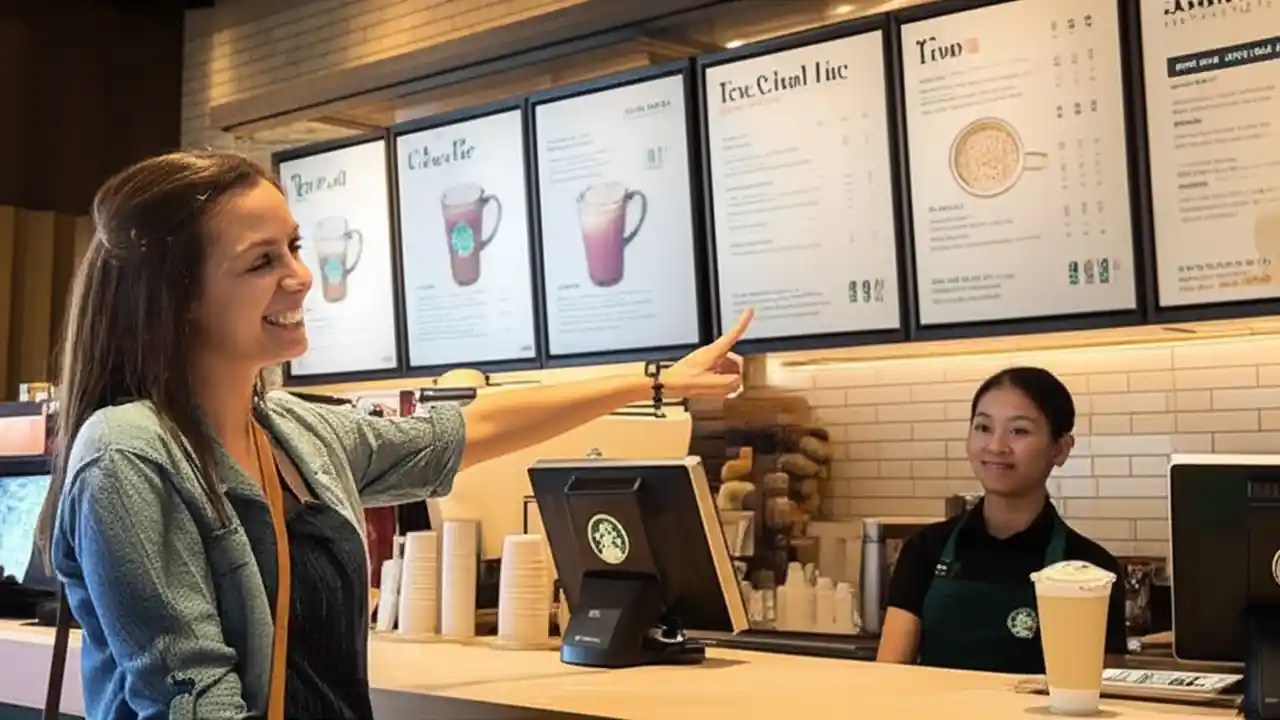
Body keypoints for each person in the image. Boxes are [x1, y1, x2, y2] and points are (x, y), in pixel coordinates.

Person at [34, 150, 754, 720]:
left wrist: (653, 382)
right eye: (261, 262)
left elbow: (467, 429)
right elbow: (191, 698)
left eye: (293, 247)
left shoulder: (296, 435)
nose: (302, 276)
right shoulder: (130, 455)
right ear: (178, 298)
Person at [875, 366, 1126, 674]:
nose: (996, 446)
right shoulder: (925, 549)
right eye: (983, 427)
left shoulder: (1091, 569)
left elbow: (1105, 694)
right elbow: (889, 678)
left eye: (1019, 431)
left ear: (1060, 449)